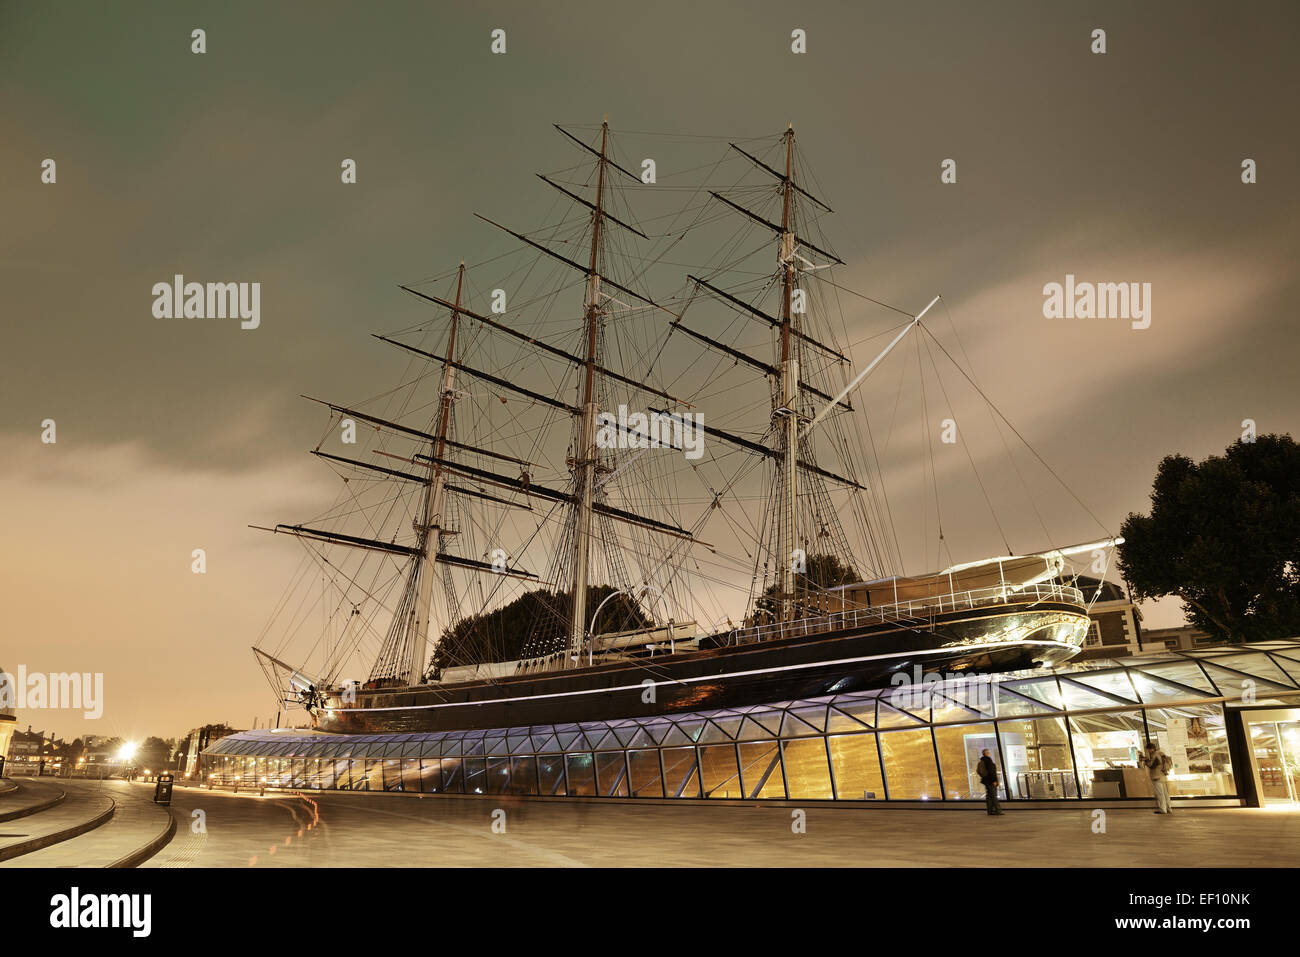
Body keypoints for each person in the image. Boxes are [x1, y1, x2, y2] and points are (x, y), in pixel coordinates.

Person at [1143, 741, 1174, 814]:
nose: (1148, 751)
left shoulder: (1154, 755)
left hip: (1156, 776)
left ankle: (1163, 809)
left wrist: (1146, 760)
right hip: (1163, 775)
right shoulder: (1161, 753)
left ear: (1151, 749)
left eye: (1148, 749)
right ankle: (1169, 808)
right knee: (1165, 793)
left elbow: (1151, 765)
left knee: (1160, 793)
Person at [976, 748, 1003, 815]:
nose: (990, 754)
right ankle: (997, 810)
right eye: (989, 752)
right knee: (993, 796)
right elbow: (991, 772)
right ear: (986, 753)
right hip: (990, 781)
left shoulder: (982, 760)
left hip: (986, 781)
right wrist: (994, 780)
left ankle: (990, 810)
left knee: (989, 796)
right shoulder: (988, 760)